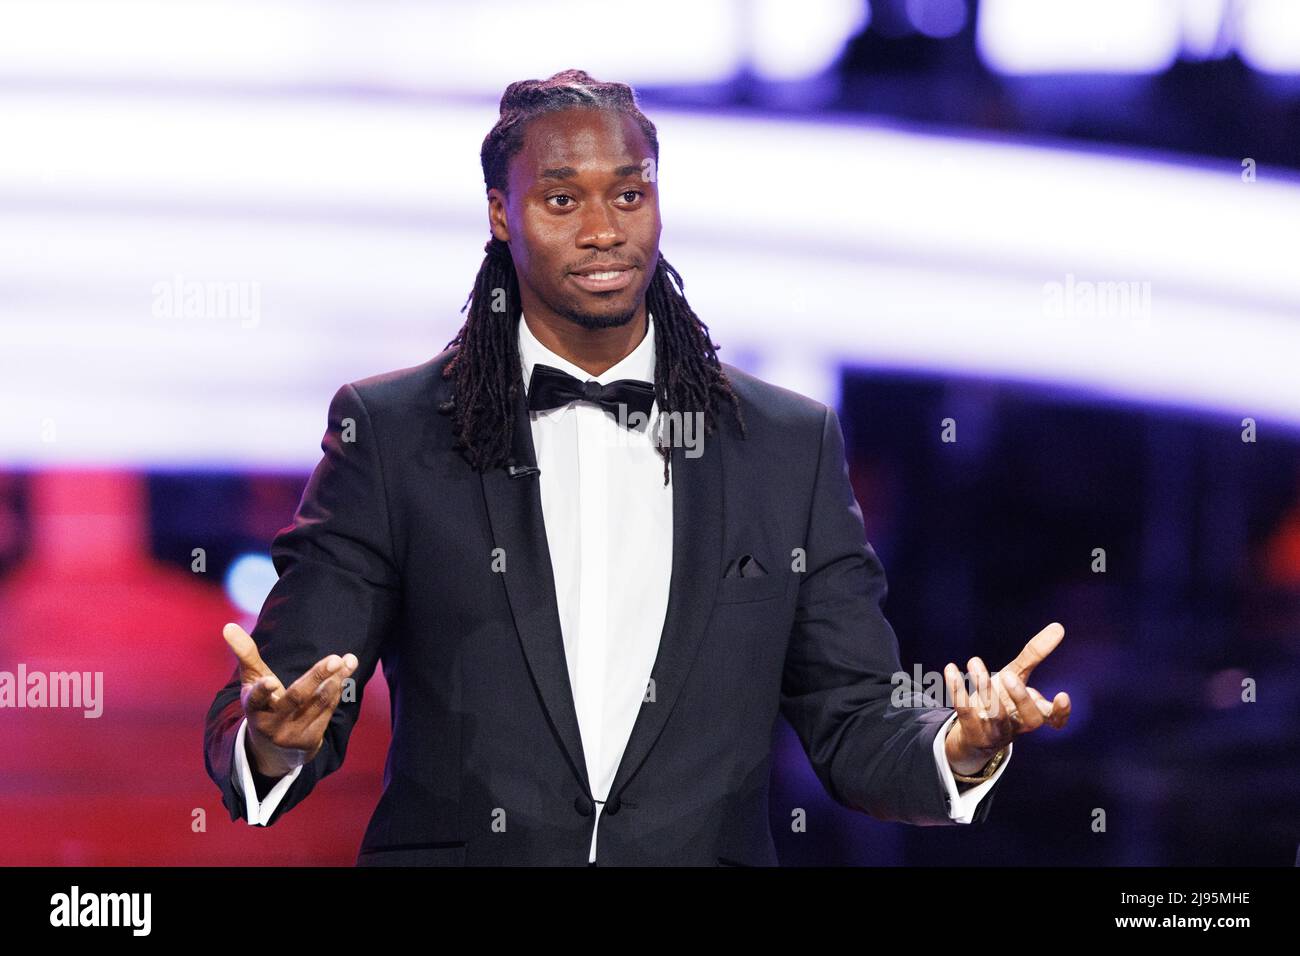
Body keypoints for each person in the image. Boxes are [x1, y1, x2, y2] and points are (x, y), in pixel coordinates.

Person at [203, 69, 1071, 866]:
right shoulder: (393, 434)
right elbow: (288, 696)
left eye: (629, 193)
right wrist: (275, 741)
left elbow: (852, 721)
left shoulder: (782, 443)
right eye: (560, 199)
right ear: (502, 215)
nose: (604, 229)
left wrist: (957, 748)